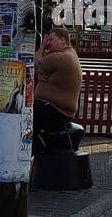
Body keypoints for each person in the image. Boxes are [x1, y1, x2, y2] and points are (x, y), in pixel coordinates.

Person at [33, 25, 82, 153]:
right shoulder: (69, 54)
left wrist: (42, 46)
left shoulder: (60, 57)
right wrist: (41, 71)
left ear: (62, 41)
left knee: (25, 118)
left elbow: (36, 61)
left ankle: (33, 153)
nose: (48, 43)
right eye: (47, 40)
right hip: (59, 109)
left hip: (56, 110)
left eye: (51, 39)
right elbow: (41, 67)